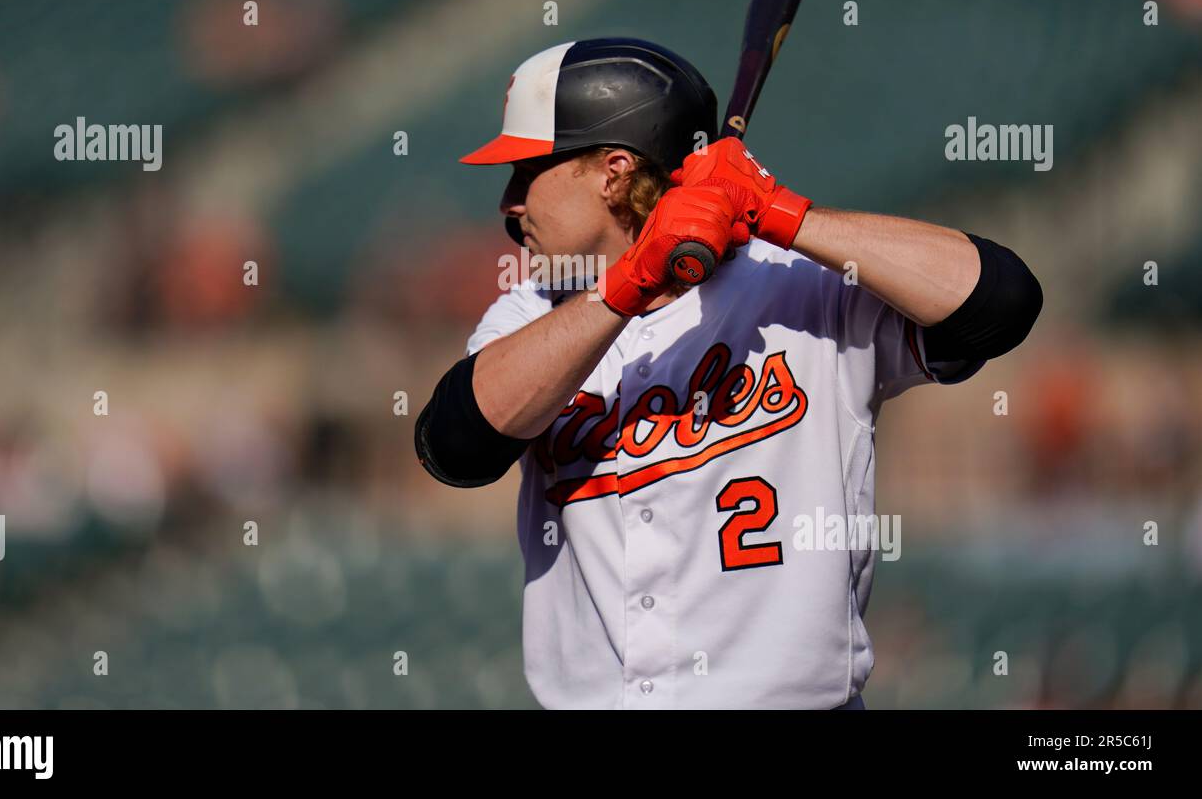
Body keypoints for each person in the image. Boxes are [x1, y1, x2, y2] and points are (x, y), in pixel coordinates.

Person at [415, 38, 1042, 709]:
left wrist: (780, 213)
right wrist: (630, 284)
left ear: (614, 171)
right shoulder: (531, 312)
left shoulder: (803, 290)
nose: (509, 201)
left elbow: (1001, 303)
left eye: (527, 171)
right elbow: (456, 446)